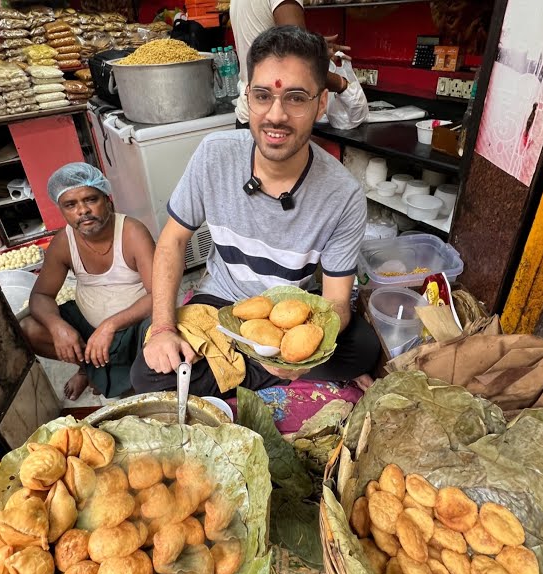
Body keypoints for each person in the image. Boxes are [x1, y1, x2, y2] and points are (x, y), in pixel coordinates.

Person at [133, 25, 380, 396]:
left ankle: (236, 369)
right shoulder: (214, 154)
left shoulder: (343, 195)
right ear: (248, 97)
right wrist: (165, 328)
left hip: (290, 310)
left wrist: (296, 357)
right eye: (263, 96)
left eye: (296, 98)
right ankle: (249, 365)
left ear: (321, 103)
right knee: (148, 371)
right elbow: (172, 240)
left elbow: (335, 302)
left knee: (362, 349)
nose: (275, 115)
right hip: (221, 302)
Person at [20, 163, 155, 401]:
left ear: (107, 200)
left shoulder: (132, 233)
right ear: (61, 210)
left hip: (133, 327)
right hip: (88, 327)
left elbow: (158, 295)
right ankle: (88, 369)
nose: (82, 210)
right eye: (70, 205)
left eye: (91, 199)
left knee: (158, 338)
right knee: (28, 329)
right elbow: (41, 295)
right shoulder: (64, 242)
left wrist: (110, 325)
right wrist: (57, 327)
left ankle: (99, 374)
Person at [230, 0, 357, 128]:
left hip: (251, 113)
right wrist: (344, 85)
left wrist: (314, 46)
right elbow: (301, 66)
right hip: (275, 119)